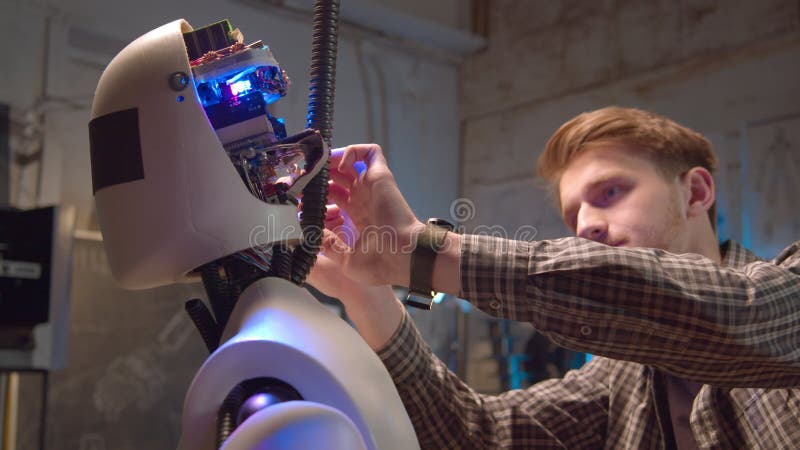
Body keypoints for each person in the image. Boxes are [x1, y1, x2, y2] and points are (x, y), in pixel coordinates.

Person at [306, 106, 800, 449]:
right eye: (573, 215)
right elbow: (479, 435)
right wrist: (365, 292)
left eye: (610, 192)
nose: (586, 224)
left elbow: (731, 315)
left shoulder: (786, 297)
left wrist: (421, 253)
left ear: (695, 192)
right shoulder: (617, 377)